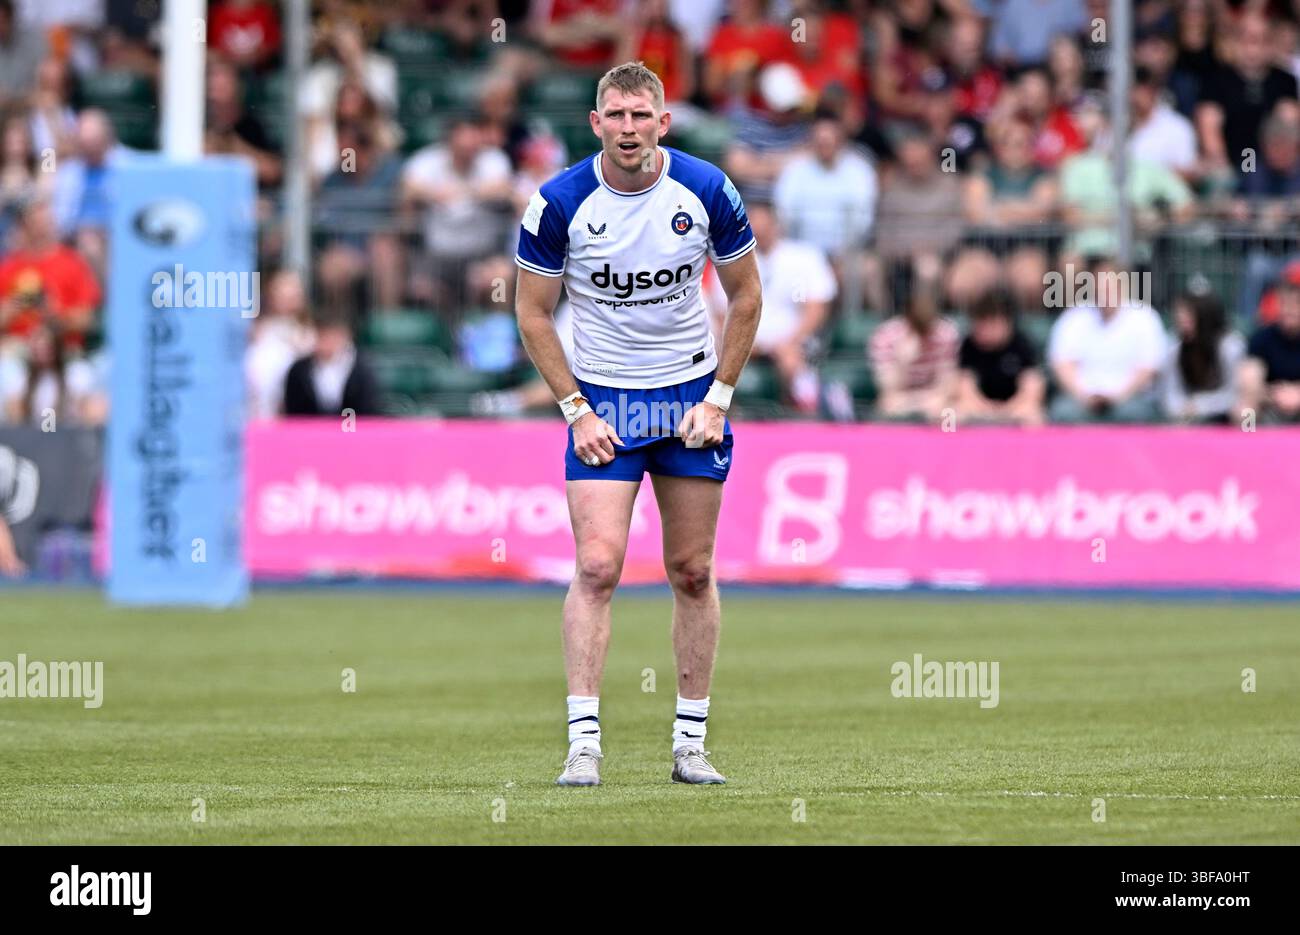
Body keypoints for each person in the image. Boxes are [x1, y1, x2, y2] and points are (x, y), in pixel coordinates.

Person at [514, 62, 761, 787]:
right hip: (604, 401)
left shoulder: (707, 190)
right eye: (615, 115)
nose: (628, 128)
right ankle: (583, 743)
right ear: (596, 124)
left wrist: (718, 395)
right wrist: (575, 409)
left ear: (663, 123)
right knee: (597, 565)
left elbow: (747, 299)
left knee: (692, 569)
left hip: (687, 394)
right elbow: (532, 311)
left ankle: (690, 742)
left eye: (640, 115)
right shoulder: (559, 202)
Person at [1047, 256, 1166, 423]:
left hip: (1130, 399)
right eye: (1099, 285)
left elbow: (1148, 368)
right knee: (1063, 411)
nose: (1104, 290)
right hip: (1081, 400)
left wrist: (1117, 397)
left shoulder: (1145, 317)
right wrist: (1084, 396)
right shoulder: (1073, 317)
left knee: (1135, 413)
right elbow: (1062, 364)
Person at [955, 288, 1045, 426]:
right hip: (978, 408)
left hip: (1015, 408)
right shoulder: (969, 345)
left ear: (1007, 322)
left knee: (1034, 416)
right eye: (981, 323)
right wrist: (986, 408)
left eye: (992, 323)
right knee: (956, 412)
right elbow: (965, 387)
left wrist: (1007, 409)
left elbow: (1032, 387)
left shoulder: (1021, 344)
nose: (986, 330)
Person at [1162, 289, 1244, 425]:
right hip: (1186, 418)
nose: (1181, 318)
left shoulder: (1230, 346)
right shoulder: (1175, 346)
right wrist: (1181, 409)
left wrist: (1200, 405)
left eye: (1188, 313)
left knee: (1245, 411)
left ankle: (1249, 441)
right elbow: (1170, 394)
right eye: (1179, 313)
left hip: (1224, 415)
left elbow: (1235, 394)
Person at [282, 313, 381, 417]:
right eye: (322, 336)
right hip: (311, 431)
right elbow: (294, 411)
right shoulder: (299, 370)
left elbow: (368, 408)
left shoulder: (362, 369)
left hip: (352, 429)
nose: (326, 342)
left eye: (331, 336)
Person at [1238, 278, 1300, 425]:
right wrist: (1273, 395)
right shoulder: (1262, 339)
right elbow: (1249, 382)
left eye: (1296, 304)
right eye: (1284, 303)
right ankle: (1248, 438)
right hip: (1270, 405)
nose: (1289, 309)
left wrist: (1297, 393)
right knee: (1244, 408)